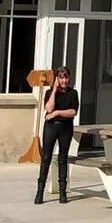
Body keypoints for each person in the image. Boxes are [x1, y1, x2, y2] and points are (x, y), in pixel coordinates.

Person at [34, 67, 79, 205]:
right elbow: (48, 108)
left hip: (66, 127)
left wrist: (56, 113)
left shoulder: (73, 93)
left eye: (66, 77)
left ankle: (62, 193)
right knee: (46, 158)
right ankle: (40, 192)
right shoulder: (50, 93)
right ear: (57, 79)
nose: (64, 80)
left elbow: (73, 112)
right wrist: (54, 90)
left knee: (62, 158)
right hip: (51, 127)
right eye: (61, 78)